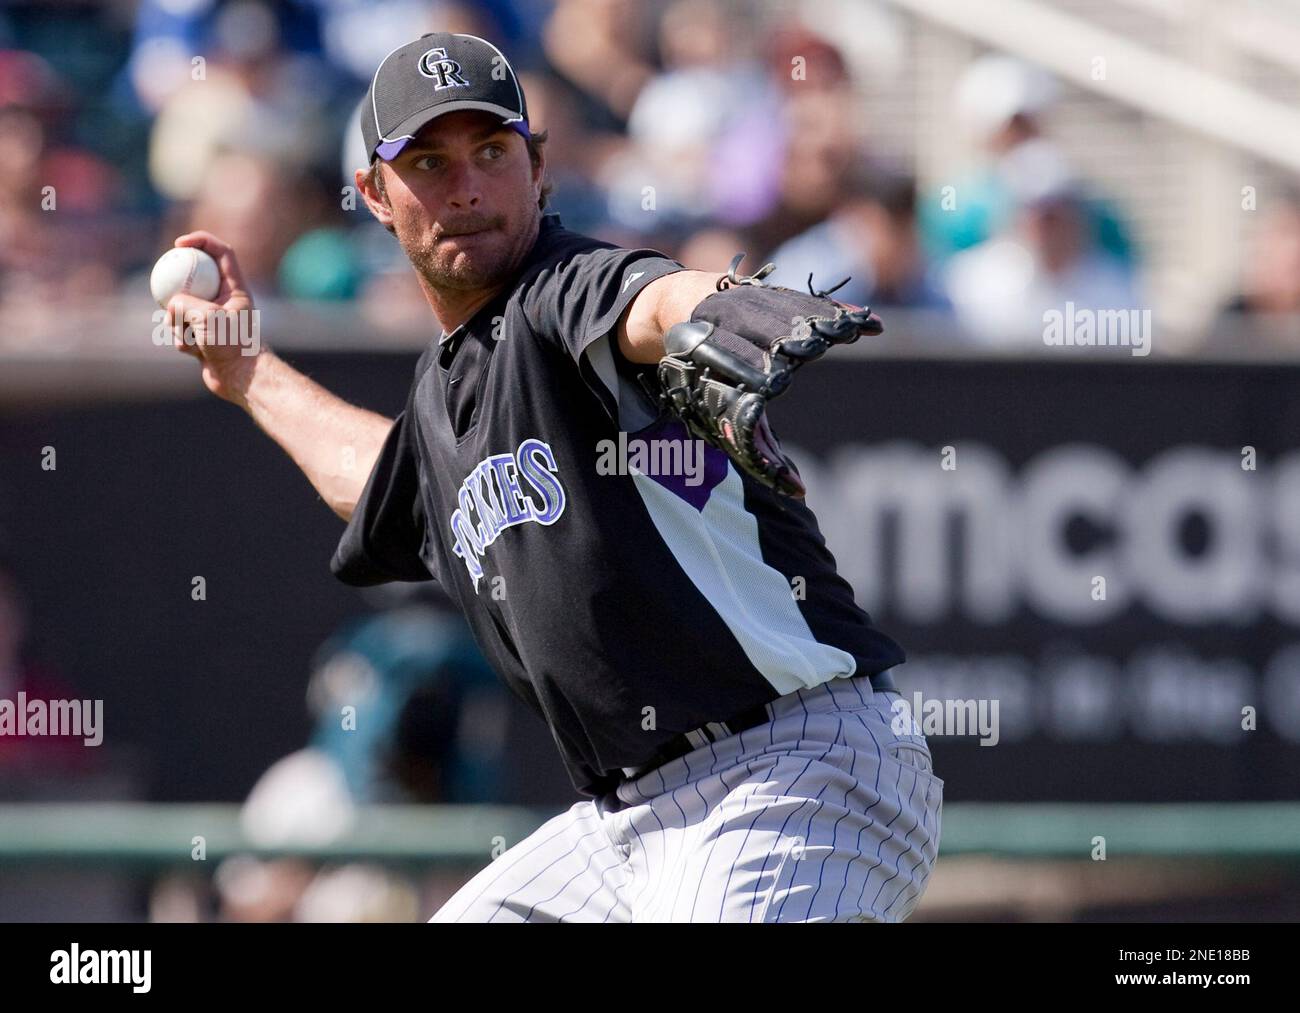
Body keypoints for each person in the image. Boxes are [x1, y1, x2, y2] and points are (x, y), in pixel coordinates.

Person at [163, 32, 941, 923]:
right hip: (627, 822)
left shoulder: (563, 291)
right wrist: (247, 371)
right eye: (429, 159)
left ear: (537, 168)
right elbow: (384, 483)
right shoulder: (444, 393)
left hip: (795, 771)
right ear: (375, 195)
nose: (466, 186)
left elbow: (650, 301)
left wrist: (710, 306)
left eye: (491, 152)